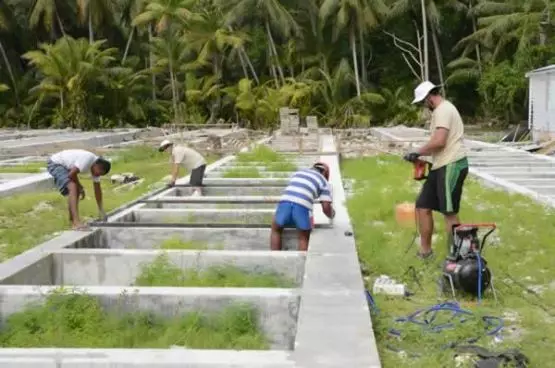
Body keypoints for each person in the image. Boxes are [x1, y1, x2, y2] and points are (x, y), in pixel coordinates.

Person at [404, 81, 468, 259]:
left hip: (452, 164)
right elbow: (438, 145)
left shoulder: (443, 110)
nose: (424, 106)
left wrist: (417, 151)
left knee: (449, 211)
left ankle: (458, 255)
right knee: (422, 205)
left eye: (423, 102)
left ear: (429, 98)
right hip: (440, 165)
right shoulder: (440, 112)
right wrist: (420, 157)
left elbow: (440, 141)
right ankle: (425, 252)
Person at [270, 162, 336, 251]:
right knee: (303, 237)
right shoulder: (324, 182)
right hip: (302, 207)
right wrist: (332, 214)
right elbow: (326, 208)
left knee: (276, 230)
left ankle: (275, 258)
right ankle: (302, 262)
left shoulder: (299, 172)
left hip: (284, 203)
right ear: (325, 173)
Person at [46, 149, 111, 230]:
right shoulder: (87, 159)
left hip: (68, 167)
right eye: (98, 173)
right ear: (97, 165)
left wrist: (101, 210)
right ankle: (76, 223)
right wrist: (80, 187)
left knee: (75, 188)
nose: (97, 175)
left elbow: (97, 190)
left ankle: (72, 220)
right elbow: (71, 175)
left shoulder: (95, 167)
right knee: (73, 187)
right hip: (56, 163)